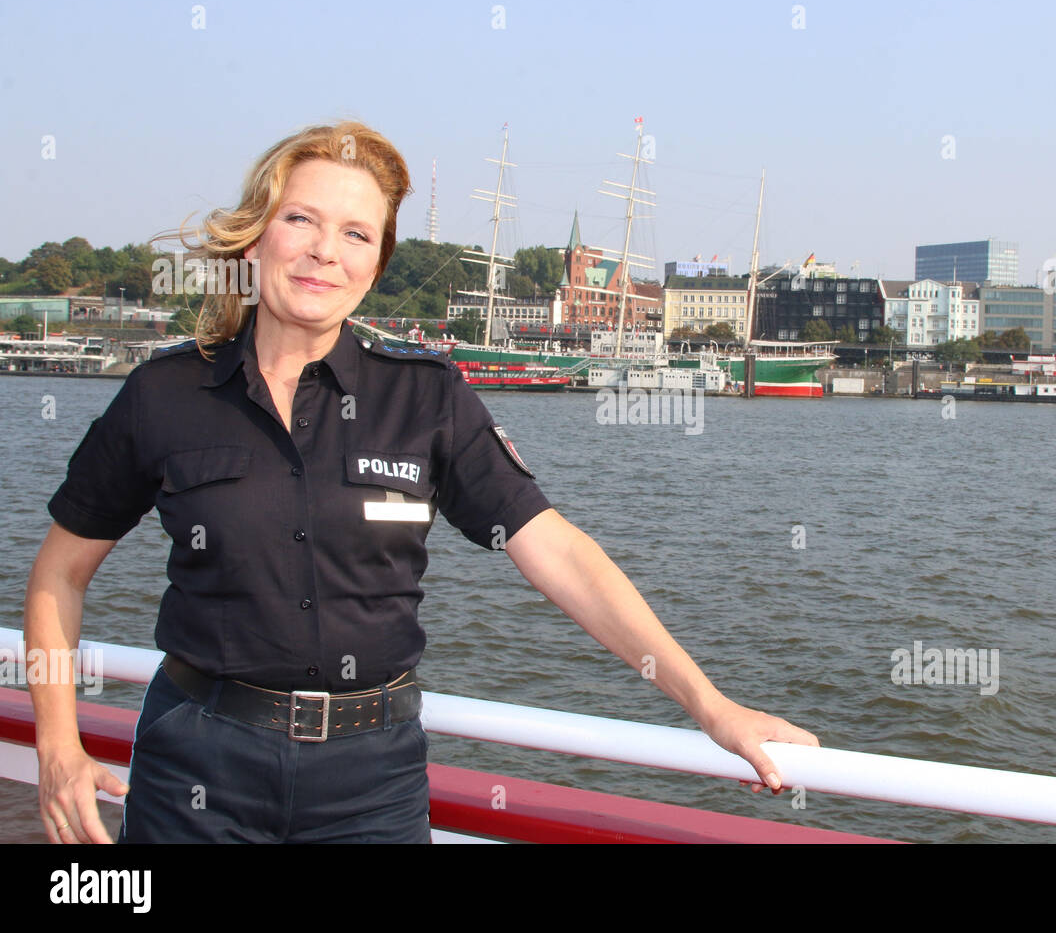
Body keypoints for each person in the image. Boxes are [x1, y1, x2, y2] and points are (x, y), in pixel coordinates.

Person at [23, 121, 818, 844]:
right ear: (255, 235)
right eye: (301, 219)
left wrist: (711, 706)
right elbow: (59, 573)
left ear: (375, 262)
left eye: (356, 233)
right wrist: (58, 747)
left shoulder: (426, 398)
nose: (324, 251)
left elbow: (559, 554)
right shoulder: (165, 396)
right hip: (194, 773)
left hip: (370, 786)